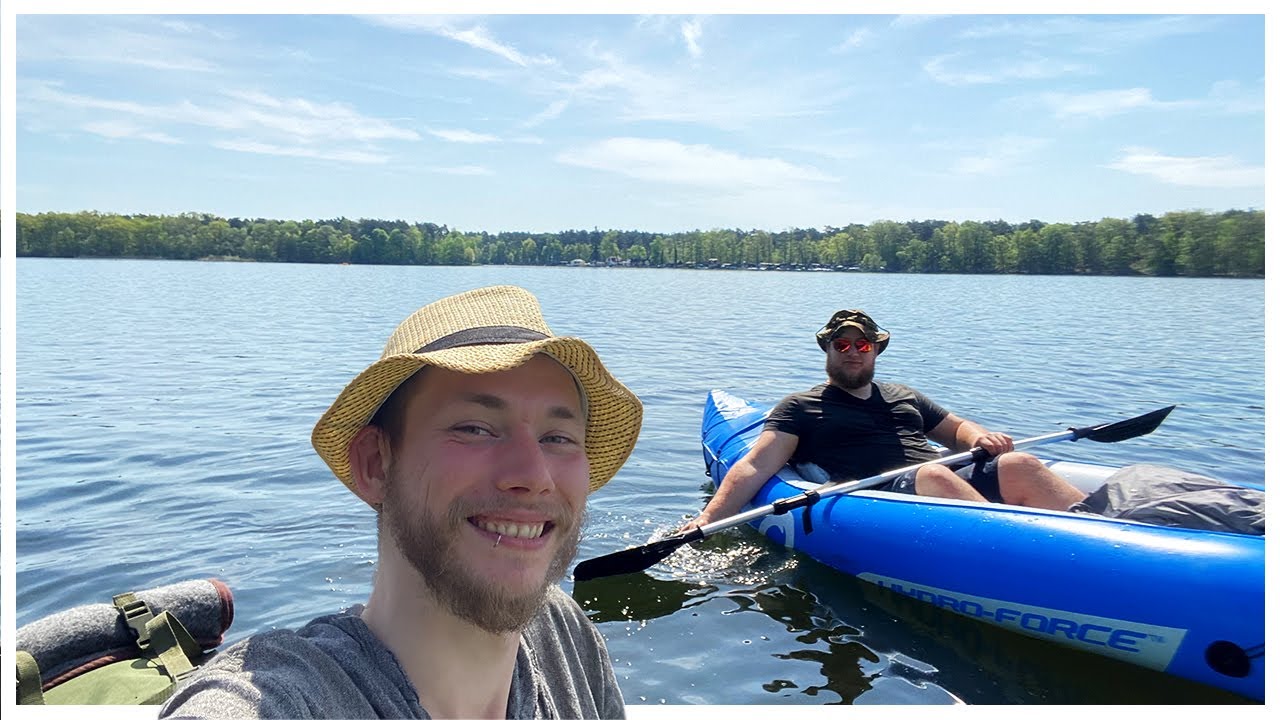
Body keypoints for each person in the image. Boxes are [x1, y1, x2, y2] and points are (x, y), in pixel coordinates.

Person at [160, 285, 643, 719]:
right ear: (375, 463)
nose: (533, 477)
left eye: (557, 437)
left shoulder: (564, 637)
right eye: (474, 428)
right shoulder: (289, 699)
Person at [686, 308, 1086, 530]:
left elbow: (958, 430)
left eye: (862, 344)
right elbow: (756, 465)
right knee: (934, 475)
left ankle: (1107, 532)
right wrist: (706, 520)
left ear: (876, 350)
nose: (852, 351)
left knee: (1019, 464)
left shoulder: (904, 395)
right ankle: (1022, 547)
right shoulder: (801, 406)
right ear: (827, 351)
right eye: (841, 344)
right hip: (888, 496)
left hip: (943, 483)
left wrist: (982, 438)